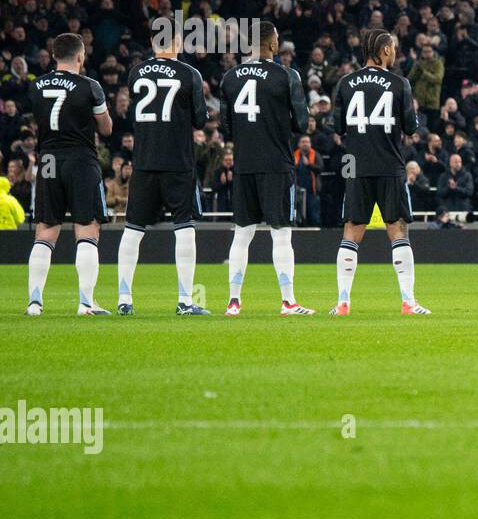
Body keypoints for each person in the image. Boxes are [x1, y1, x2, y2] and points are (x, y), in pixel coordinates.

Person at [329, 29, 428, 315]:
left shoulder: (346, 83)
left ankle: (343, 302)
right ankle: (408, 301)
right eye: (393, 48)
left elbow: (336, 127)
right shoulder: (399, 83)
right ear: (384, 50)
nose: (395, 53)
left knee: (352, 230)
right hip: (390, 166)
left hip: (356, 167)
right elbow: (411, 127)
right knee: (397, 230)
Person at [219, 20, 315, 315]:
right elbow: (301, 123)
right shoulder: (287, 75)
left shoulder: (230, 77)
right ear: (273, 45)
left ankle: (234, 301)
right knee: (281, 233)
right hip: (276, 164)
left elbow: (226, 127)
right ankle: (288, 301)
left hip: (245, 163)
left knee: (241, 234)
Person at [115, 30, 210, 314]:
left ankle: (124, 299)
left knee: (133, 229)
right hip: (178, 162)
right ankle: (185, 301)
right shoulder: (189, 73)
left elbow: (133, 113)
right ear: (177, 42)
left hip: (143, 161)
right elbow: (200, 120)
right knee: (184, 226)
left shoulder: (136, 72)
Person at [25, 33, 114, 315]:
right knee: (87, 229)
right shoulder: (90, 86)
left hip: (48, 159)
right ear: (80, 56)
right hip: (80, 158)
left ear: (53, 56)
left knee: (46, 230)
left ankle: (35, 303)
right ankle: (86, 303)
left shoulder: (36, 86)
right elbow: (106, 128)